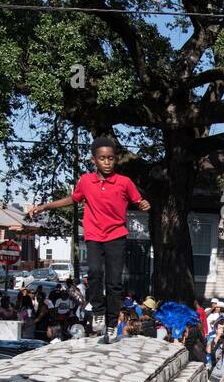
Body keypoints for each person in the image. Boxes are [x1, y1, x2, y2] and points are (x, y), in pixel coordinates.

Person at [25, 135, 151, 338]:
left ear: (115, 159)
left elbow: (139, 200)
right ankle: (99, 311)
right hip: (94, 234)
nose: (107, 162)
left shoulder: (124, 182)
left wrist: (143, 204)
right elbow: (72, 199)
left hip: (116, 235)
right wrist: (44, 206)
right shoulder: (86, 181)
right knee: (93, 272)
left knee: (114, 281)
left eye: (111, 158)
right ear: (94, 160)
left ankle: (111, 322)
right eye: (102, 158)